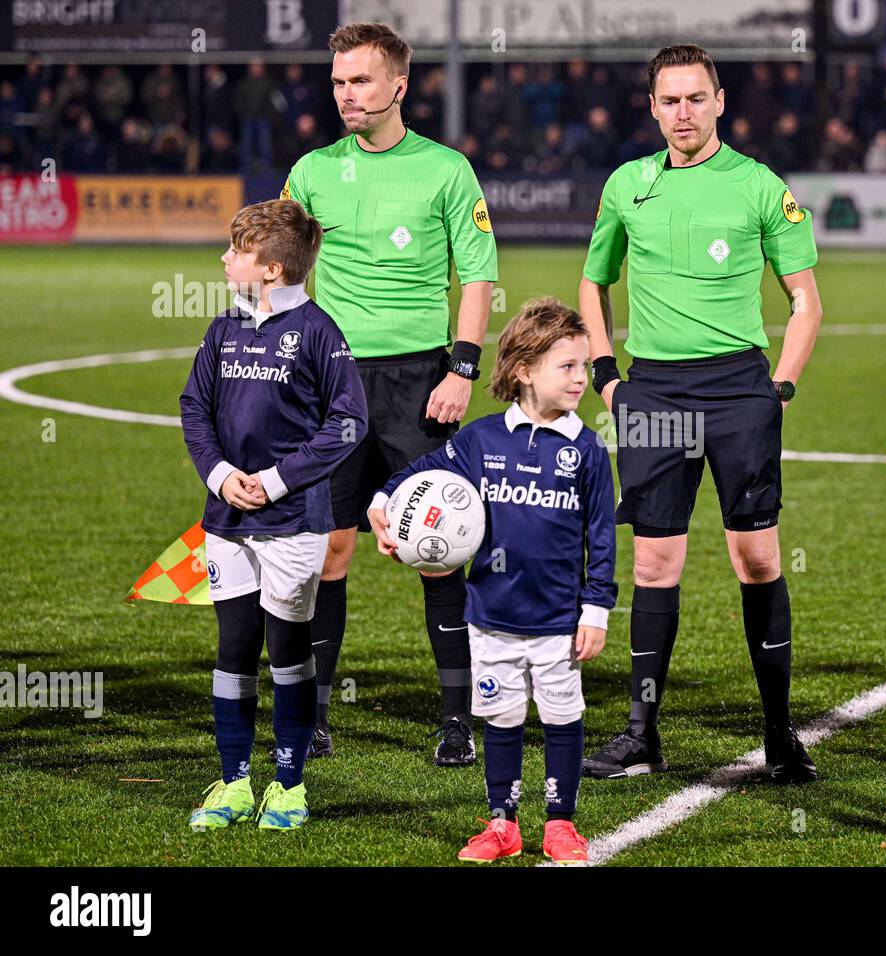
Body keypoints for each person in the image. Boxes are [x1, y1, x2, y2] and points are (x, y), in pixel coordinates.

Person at [579, 44, 823, 783]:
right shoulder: (628, 186)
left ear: (720, 100)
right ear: (652, 108)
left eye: (695, 98)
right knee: (654, 563)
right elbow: (594, 282)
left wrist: (778, 386)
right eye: (669, 100)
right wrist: (607, 376)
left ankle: (780, 736)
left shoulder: (758, 186)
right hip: (653, 390)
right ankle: (641, 734)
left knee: (756, 559)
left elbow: (806, 302)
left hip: (739, 389)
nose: (682, 112)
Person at [282, 22, 497, 764]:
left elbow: (478, 276)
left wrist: (462, 369)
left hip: (420, 381)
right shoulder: (311, 171)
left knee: (438, 547)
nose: (347, 94)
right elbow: (281, 271)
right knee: (329, 549)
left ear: (399, 86)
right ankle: (311, 719)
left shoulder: (446, 171)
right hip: (332, 384)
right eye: (338, 82)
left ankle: (457, 722)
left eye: (361, 81)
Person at [368, 298, 616, 864]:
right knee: (500, 717)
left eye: (583, 366)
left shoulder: (587, 451)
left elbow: (600, 537)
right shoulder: (481, 441)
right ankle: (503, 823)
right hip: (489, 614)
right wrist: (385, 504)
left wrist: (596, 609)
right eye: (568, 367)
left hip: (558, 618)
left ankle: (560, 823)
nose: (582, 378)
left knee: (561, 715)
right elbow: (416, 473)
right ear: (525, 370)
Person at [179, 199, 367, 830]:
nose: (224, 258)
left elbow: (349, 423)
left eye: (237, 250)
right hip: (228, 517)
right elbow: (193, 406)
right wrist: (223, 475)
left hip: (294, 522)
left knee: (287, 649)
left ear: (273, 268)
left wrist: (278, 480)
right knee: (233, 647)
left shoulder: (319, 331)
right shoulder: (224, 326)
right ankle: (233, 783)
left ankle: (288, 783)